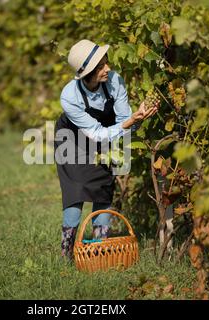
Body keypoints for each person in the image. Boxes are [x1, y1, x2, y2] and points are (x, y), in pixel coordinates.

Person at [54, 39, 159, 261]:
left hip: (106, 134)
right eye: (100, 67)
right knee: (77, 189)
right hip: (72, 139)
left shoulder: (114, 82)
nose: (107, 69)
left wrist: (137, 119)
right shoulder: (69, 96)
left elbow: (123, 121)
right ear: (86, 74)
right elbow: (96, 133)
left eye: (105, 63)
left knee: (103, 189)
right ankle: (66, 254)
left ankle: (100, 251)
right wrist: (128, 123)